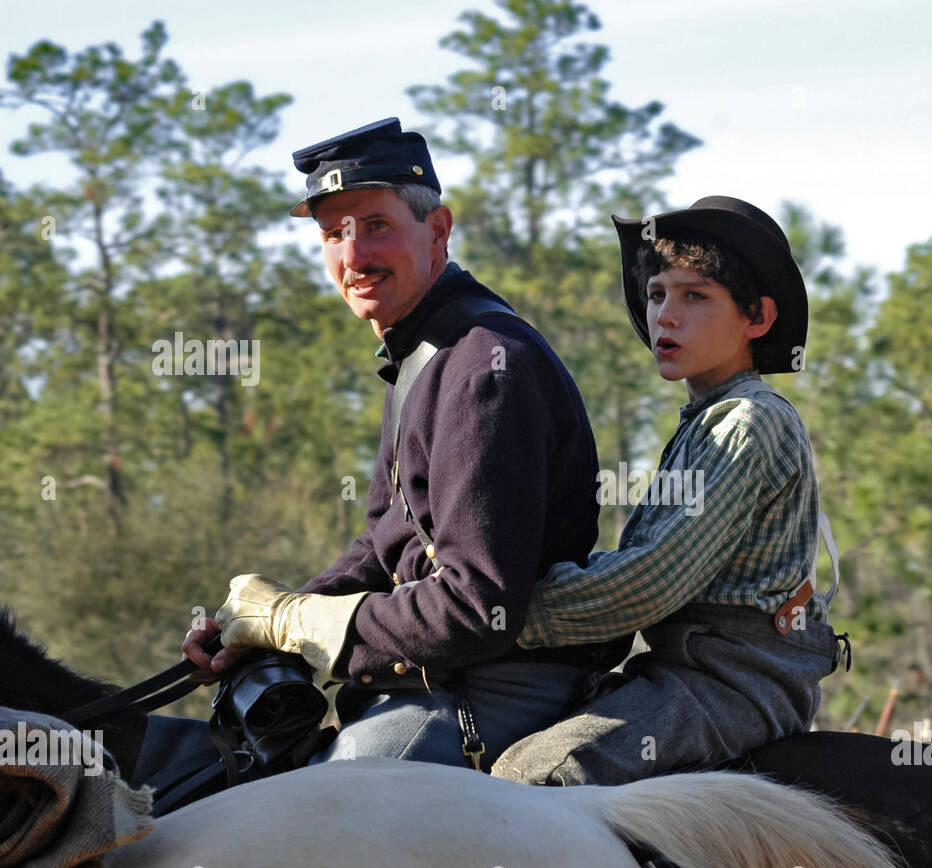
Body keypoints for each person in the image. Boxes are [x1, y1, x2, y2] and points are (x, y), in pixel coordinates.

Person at [160, 117, 611, 776]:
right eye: (332, 234)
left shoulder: (483, 364)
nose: (353, 254)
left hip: (493, 689)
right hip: (429, 681)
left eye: (375, 225)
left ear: (438, 230)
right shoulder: (421, 354)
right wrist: (253, 633)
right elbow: (386, 545)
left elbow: (474, 608)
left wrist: (301, 623)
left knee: (314, 817)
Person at [490, 196, 848, 787]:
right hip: (681, 671)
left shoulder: (747, 422)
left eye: (695, 296)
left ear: (756, 318)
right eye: (657, 295)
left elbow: (647, 582)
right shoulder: (707, 421)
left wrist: (500, 615)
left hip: (732, 685)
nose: (666, 317)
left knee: (534, 776)